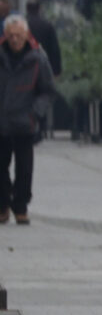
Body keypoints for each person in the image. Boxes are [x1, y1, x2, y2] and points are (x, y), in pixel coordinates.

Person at [0, 14, 52, 225]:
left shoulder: (38, 58)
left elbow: (47, 91)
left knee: (25, 169)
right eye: (11, 35)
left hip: (24, 121)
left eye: (19, 35)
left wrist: (35, 112)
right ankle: (2, 204)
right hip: (1, 121)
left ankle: (20, 205)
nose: (15, 39)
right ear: (5, 35)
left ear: (26, 35)